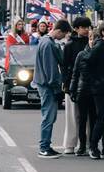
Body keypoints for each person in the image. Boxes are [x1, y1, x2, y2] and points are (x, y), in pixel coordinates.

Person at [34, 20, 70, 157]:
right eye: (64, 34)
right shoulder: (49, 44)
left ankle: (45, 145)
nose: (64, 37)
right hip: (47, 85)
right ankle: (44, 147)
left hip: (43, 83)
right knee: (49, 116)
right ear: (59, 31)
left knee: (48, 116)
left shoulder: (44, 41)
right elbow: (51, 70)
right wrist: (57, 89)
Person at [83, 22, 104, 158]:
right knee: (102, 117)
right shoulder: (98, 47)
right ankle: (93, 147)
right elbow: (86, 64)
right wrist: (94, 82)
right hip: (99, 89)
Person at [61, 17, 92, 154]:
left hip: (88, 84)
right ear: (76, 28)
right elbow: (64, 66)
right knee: (72, 116)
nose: (86, 29)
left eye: (88, 27)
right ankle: (70, 144)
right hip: (73, 84)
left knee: (90, 117)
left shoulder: (92, 43)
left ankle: (89, 144)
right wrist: (66, 84)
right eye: (83, 27)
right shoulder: (69, 45)